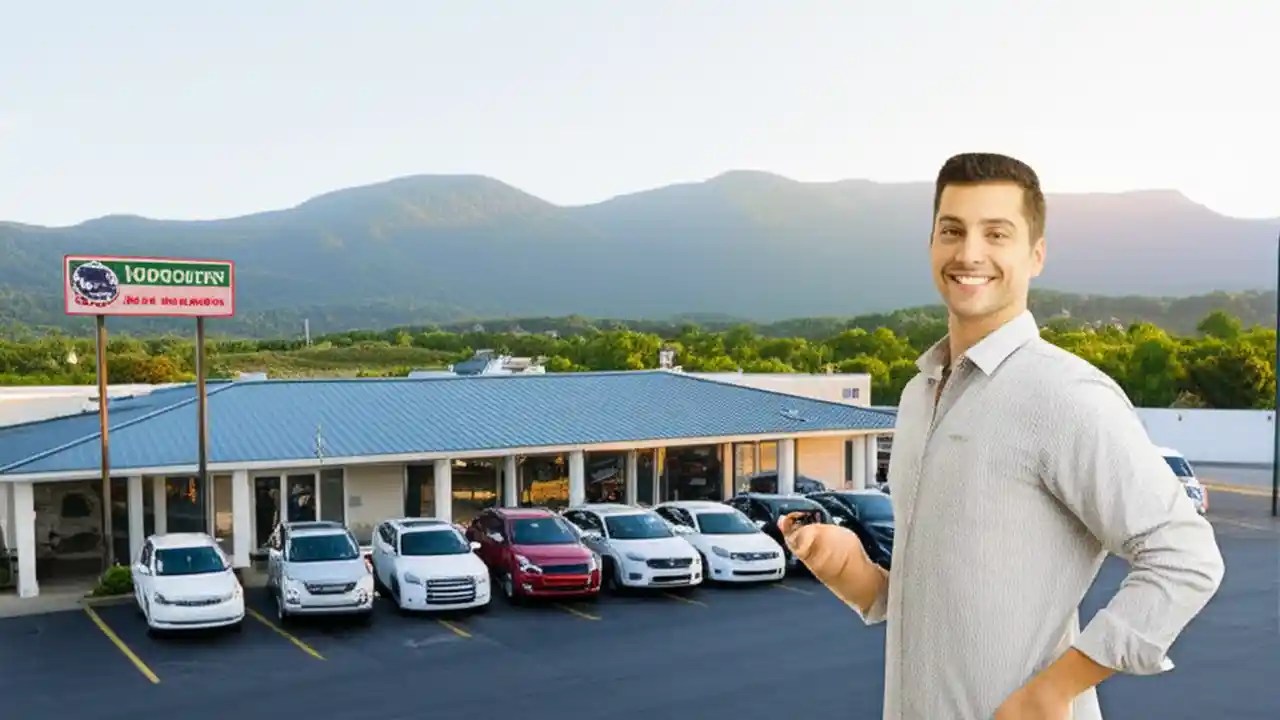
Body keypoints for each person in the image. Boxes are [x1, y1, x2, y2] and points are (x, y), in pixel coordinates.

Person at [779, 152, 1225, 720]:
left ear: (1035, 254)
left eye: (997, 233)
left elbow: (1185, 557)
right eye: (952, 231)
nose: (969, 253)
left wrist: (1052, 691)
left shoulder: (1065, 394)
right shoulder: (920, 395)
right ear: (931, 245)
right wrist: (858, 576)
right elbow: (953, 602)